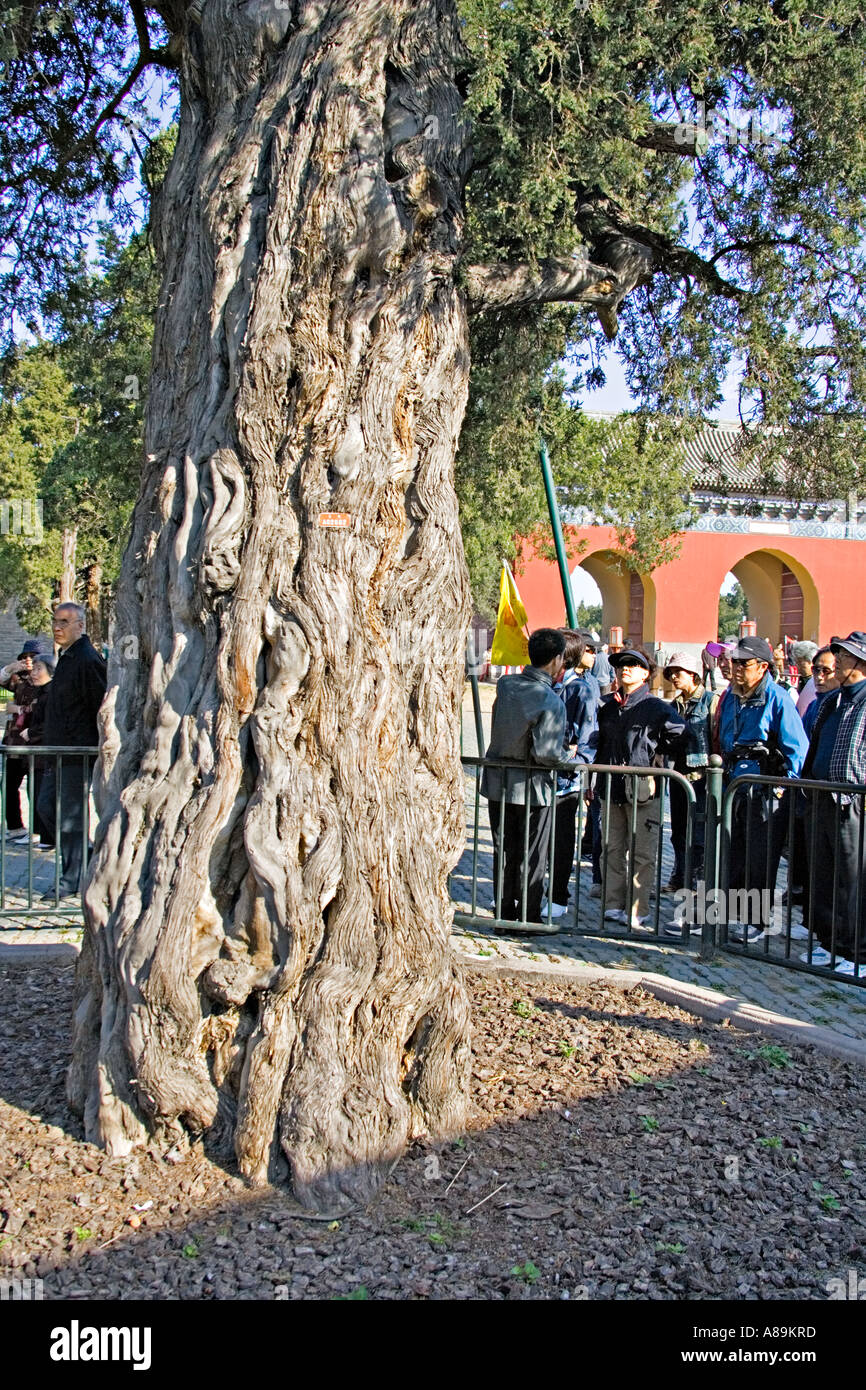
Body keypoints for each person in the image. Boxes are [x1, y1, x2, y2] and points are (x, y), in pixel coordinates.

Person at [716, 635, 809, 942]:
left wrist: (787, 790)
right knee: (734, 852)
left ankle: (756, 921)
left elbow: (797, 749)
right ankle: (729, 912)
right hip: (735, 783)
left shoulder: (777, 698)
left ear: (763, 666)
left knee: (760, 857)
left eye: (744, 663)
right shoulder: (730, 695)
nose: (737, 668)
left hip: (766, 789)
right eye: (735, 662)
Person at [594, 648, 686, 928]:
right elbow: (601, 745)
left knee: (642, 853)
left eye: (634, 665)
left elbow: (681, 735)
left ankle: (638, 908)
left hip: (644, 790)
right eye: (622, 665)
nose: (626, 669)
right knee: (611, 848)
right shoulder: (609, 707)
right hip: (611, 787)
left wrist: (657, 762)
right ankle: (612, 904)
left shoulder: (657, 708)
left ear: (646, 673)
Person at [480, 628, 567, 925]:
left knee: (505, 850)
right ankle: (529, 916)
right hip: (533, 786)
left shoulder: (506, 685)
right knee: (532, 855)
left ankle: (504, 910)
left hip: (498, 782)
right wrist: (566, 757)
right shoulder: (550, 700)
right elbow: (547, 752)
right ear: (557, 660)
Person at [799, 631, 866, 974]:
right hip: (822, 797)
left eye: (845, 655)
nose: (837, 660)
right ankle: (829, 943)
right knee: (823, 875)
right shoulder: (830, 701)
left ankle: (857, 952)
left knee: (852, 880)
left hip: (853, 801)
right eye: (837, 653)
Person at [37, 603, 107, 899]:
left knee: (69, 817)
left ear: (80, 625)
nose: (58, 627)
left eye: (65, 622)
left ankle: (73, 879)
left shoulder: (87, 660)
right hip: (58, 752)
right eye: (56, 621)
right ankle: (88, 856)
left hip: (76, 753)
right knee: (45, 808)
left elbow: (100, 706)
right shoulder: (66, 658)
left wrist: (91, 744)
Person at [543, 630, 597, 917]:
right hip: (540, 778)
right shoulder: (545, 686)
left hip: (565, 781)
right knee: (538, 840)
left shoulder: (582, 690)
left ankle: (559, 896)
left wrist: (575, 757)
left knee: (561, 842)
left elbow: (587, 739)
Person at [662, 651, 719, 893]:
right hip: (678, 776)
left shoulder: (710, 701)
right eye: (671, 673)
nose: (674, 677)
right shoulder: (674, 705)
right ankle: (680, 876)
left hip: (701, 777)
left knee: (699, 834)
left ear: (693, 675)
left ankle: (696, 882)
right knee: (678, 832)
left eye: (679, 672)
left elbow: (716, 737)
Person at [18, 653, 56, 848]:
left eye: (39, 669)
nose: (34, 673)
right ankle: (44, 836)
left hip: (45, 753)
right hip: (36, 754)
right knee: (36, 795)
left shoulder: (51, 695)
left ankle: (50, 837)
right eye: (34, 669)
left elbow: (49, 724)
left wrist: (30, 732)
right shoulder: (40, 693)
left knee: (44, 798)